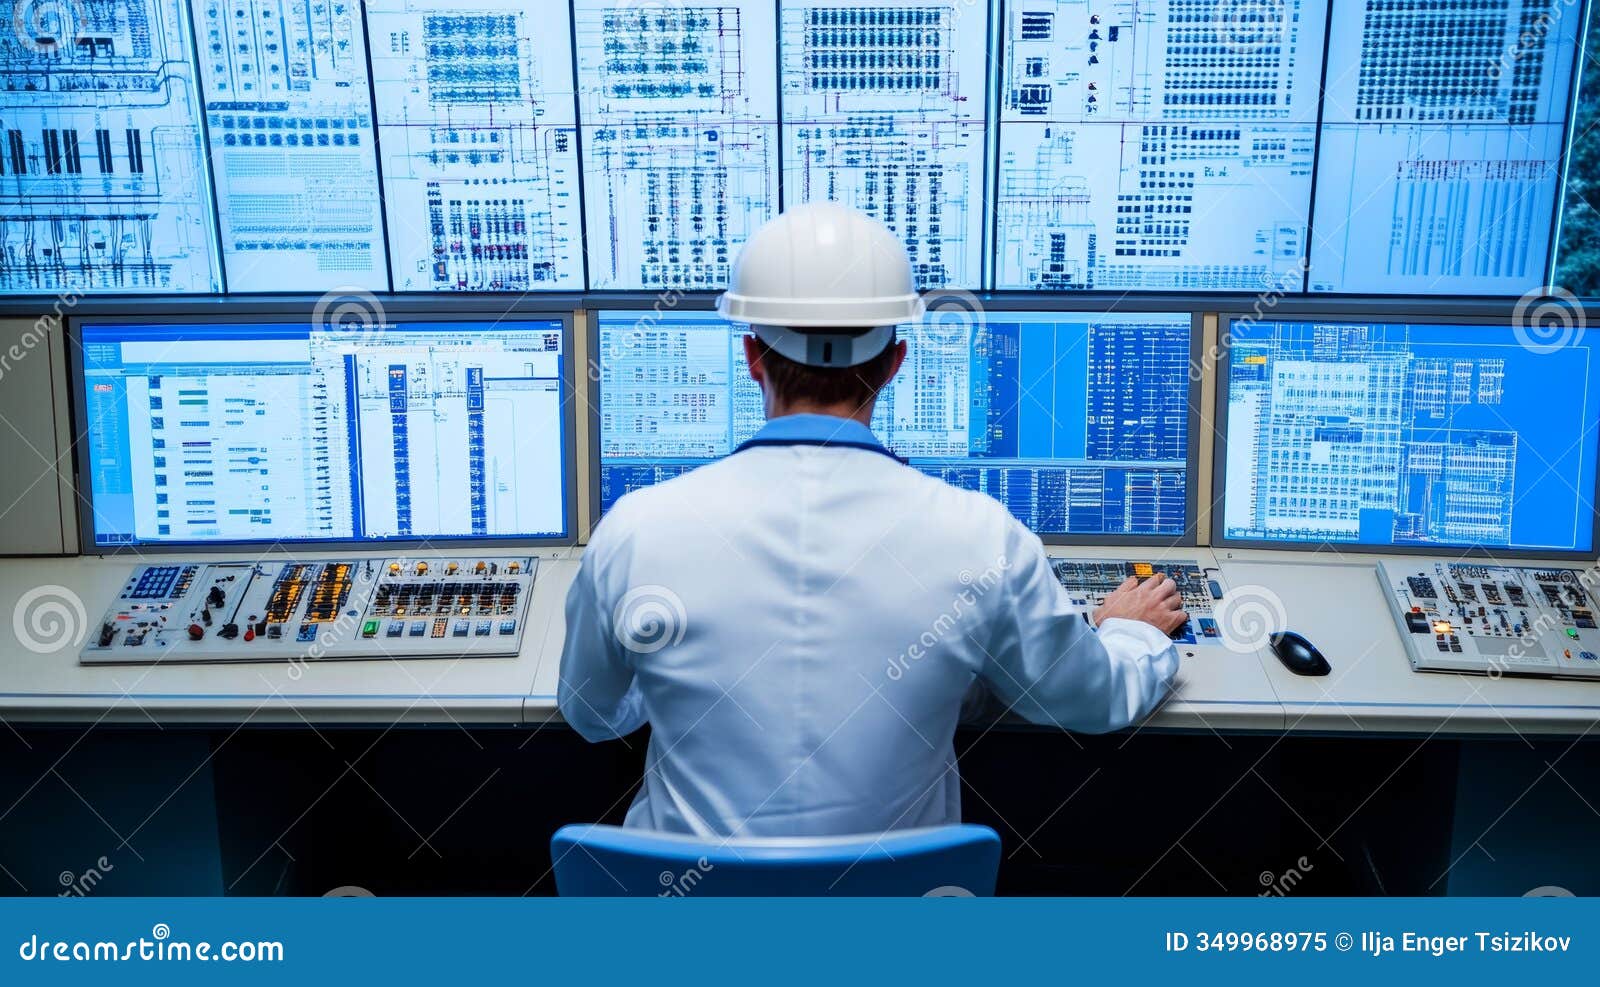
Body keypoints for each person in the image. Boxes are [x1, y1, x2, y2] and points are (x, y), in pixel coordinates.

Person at [559, 203, 1185, 838]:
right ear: (895, 363)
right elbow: (1090, 700)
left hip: (684, 923)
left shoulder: (635, 531)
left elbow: (590, 714)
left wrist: (668, 675)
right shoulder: (980, 537)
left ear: (751, 356)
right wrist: (1128, 635)